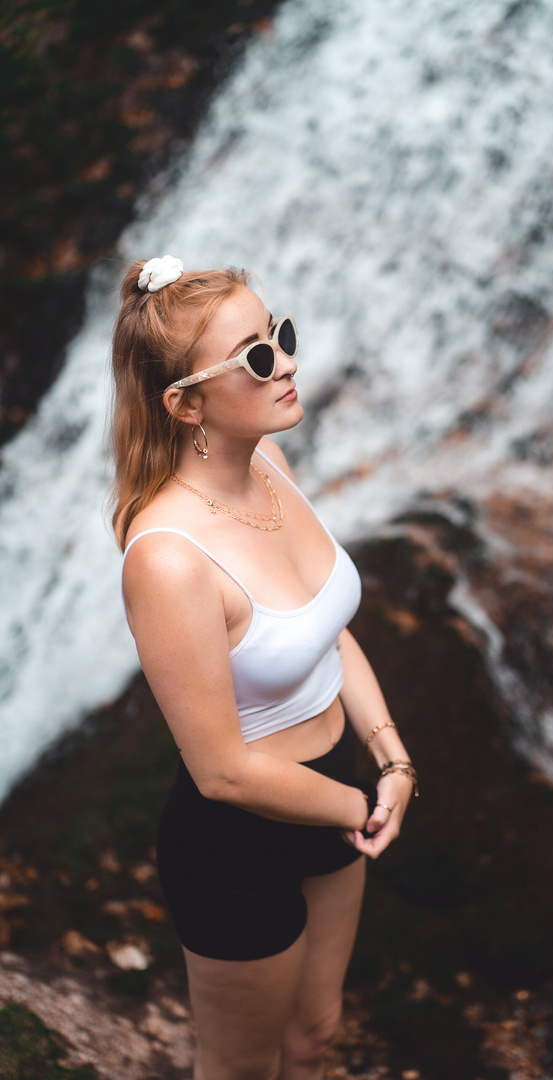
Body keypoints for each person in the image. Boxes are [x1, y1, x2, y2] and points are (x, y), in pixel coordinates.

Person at [110, 255, 417, 1080]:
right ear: (185, 403)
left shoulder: (271, 469)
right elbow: (222, 772)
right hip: (238, 838)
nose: (285, 360)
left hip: (335, 787)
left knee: (315, 1033)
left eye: (279, 334)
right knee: (240, 1068)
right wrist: (357, 804)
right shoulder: (168, 559)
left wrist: (391, 757)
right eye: (254, 355)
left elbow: (327, 634)